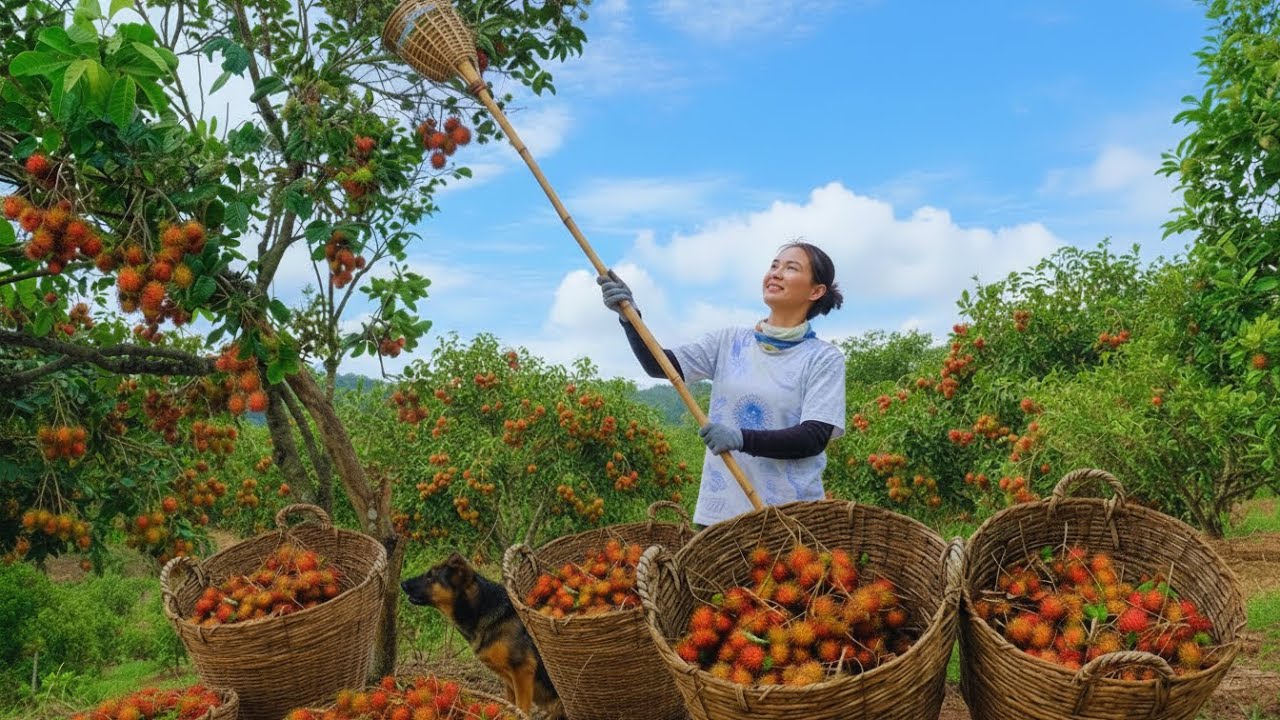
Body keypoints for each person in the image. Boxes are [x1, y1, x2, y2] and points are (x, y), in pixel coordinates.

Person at [597, 241, 847, 529]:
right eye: (774, 265)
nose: (776, 273)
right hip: (719, 519)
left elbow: (813, 438)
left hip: (788, 520)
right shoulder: (729, 342)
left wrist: (742, 438)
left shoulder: (823, 358)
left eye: (791, 268)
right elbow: (660, 365)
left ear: (816, 291)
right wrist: (630, 317)